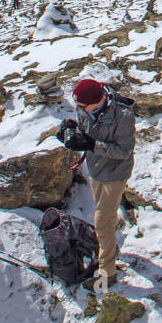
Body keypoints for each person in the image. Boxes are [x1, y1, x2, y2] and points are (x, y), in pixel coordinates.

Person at [60, 79, 136, 289]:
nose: (80, 109)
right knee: (106, 218)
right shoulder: (85, 106)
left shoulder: (123, 117)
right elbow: (81, 122)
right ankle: (110, 247)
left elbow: (124, 151)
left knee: (102, 223)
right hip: (96, 171)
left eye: (83, 106)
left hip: (116, 173)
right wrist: (70, 129)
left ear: (97, 101)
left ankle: (106, 276)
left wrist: (93, 144)